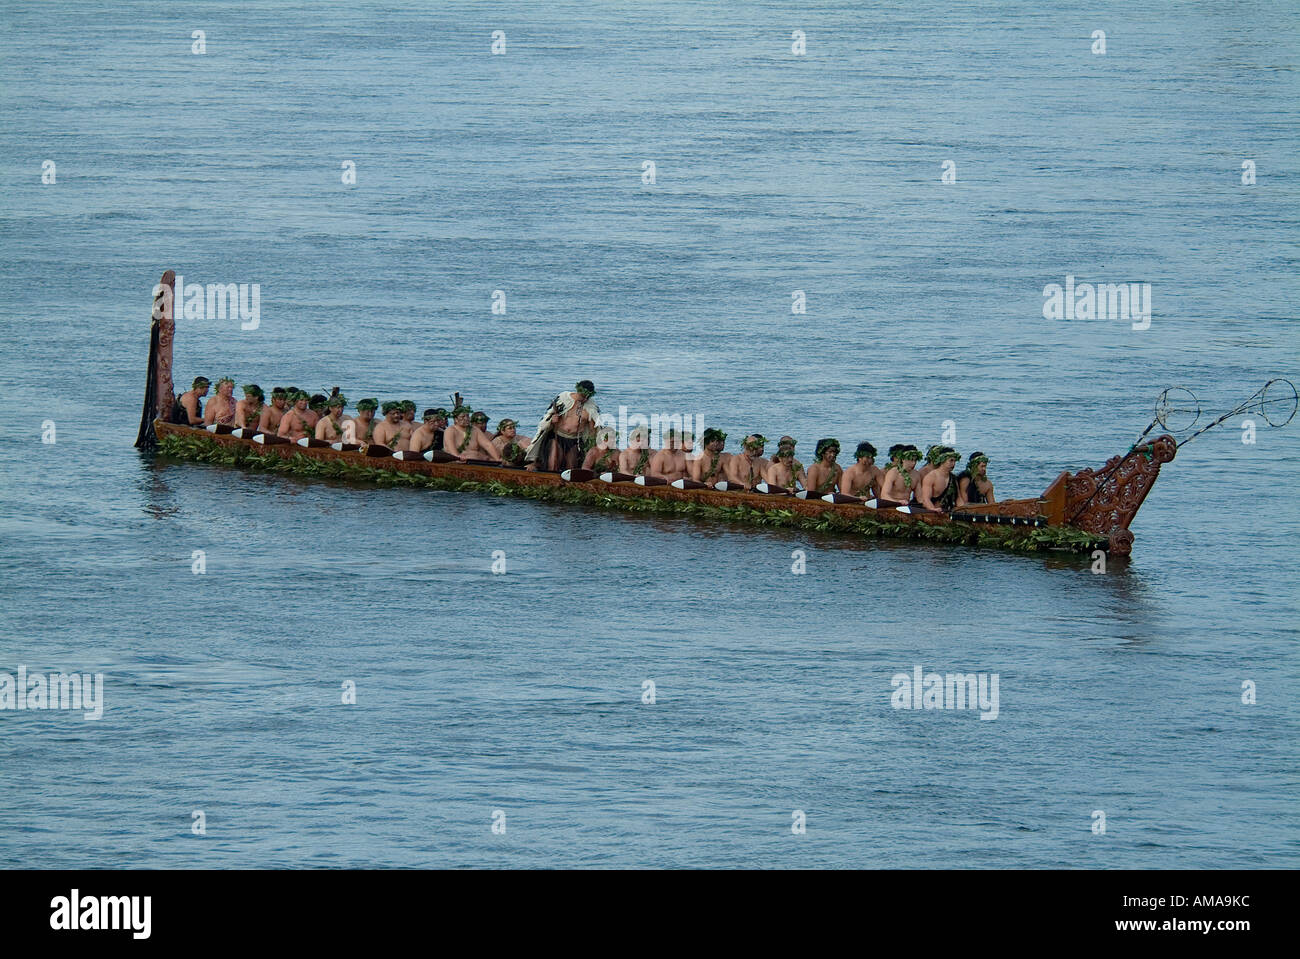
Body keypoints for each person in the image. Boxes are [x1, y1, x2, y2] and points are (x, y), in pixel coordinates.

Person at [525, 380, 599, 472]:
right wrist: (552, 420)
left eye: (587, 397)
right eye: (583, 396)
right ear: (578, 391)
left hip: (575, 440)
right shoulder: (563, 399)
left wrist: (592, 447)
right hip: (557, 436)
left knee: (571, 468)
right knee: (553, 463)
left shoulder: (591, 408)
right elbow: (548, 416)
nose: (585, 399)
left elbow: (593, 430)